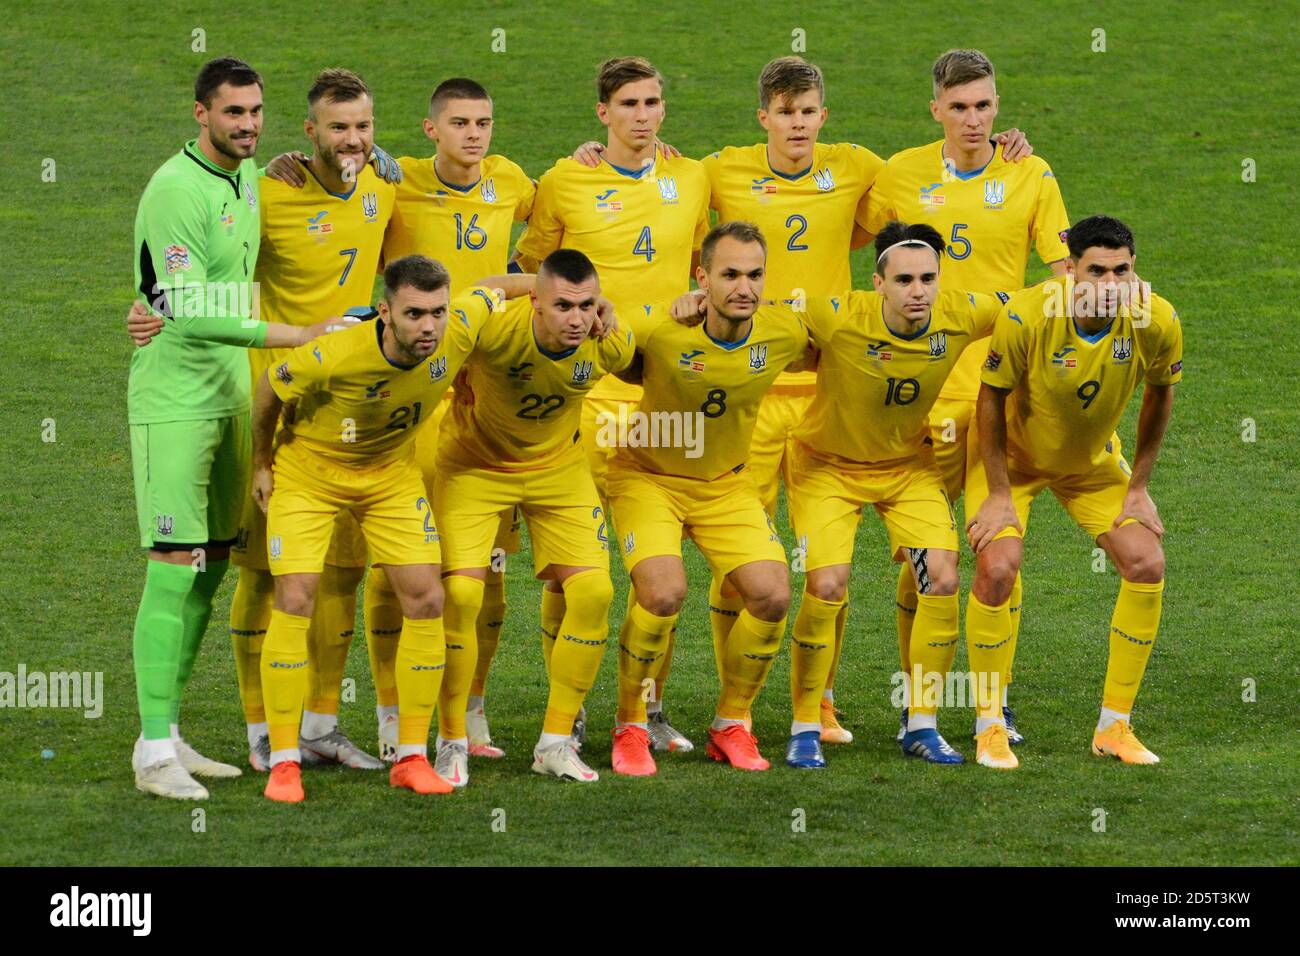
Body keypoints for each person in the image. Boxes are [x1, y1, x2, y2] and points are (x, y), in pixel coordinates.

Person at [127, 57, 347, 800]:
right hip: (176, 402)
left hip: (230, 395)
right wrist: (295, 335)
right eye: (233, 113)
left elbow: (346, 158)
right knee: (174, 562)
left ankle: (170, 732)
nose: (248, 124)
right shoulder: (174, 188)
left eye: (256, 112)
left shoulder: (250, 177)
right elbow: (180, 303)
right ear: (201, 114)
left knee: (213, 564)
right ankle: (152, 751)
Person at [250, 256, 501, 802]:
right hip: (310, 473)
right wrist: (261, 464)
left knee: (427, 599)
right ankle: (286, 761)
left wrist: (594, 300)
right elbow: (270, 388)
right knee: (296, 595)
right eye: (414, 314)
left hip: (389, 475)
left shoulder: (454, 333)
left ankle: (410, 756)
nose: (429, 326)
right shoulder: (335, 352)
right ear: (384, 312)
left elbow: (497, 285)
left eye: (437, 312)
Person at [965, 215, 1177, 769]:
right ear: (1071, 271)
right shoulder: (1029, 314)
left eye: (1123, 271)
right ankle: (990, 724)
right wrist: (996, 493)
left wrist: (1139, 488)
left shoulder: (1155, 320)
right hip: (1012, 462)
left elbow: (1160, 393)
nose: (1111, 285)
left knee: (1145, 561)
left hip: (1088, 464)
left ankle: (1115, 726)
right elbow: (989, 399)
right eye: (1097, 272)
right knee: (998, 567)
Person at [607, 221, 811, 777]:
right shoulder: (660, 328)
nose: (743, 287)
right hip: (648, 478)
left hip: (725, 485)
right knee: (664, 592)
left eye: (754, 275)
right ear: (702, 277)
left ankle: (731, 724)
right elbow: (614, 359)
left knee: (771, 595)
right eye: (728, 274)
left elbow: (833, 345)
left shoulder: (784, 333)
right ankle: (630, 725)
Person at [432, 250, 630, 785]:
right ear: (535, 302)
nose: (576, 319)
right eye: (562, 305)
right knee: (464, 595)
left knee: (593, 594)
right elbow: (461, 302)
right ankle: (451, 739)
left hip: (557, 468)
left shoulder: (607, 340)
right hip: (475, 466)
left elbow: (642, 358)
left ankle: (555, 742)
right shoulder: (493, 327)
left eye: (586, 305)